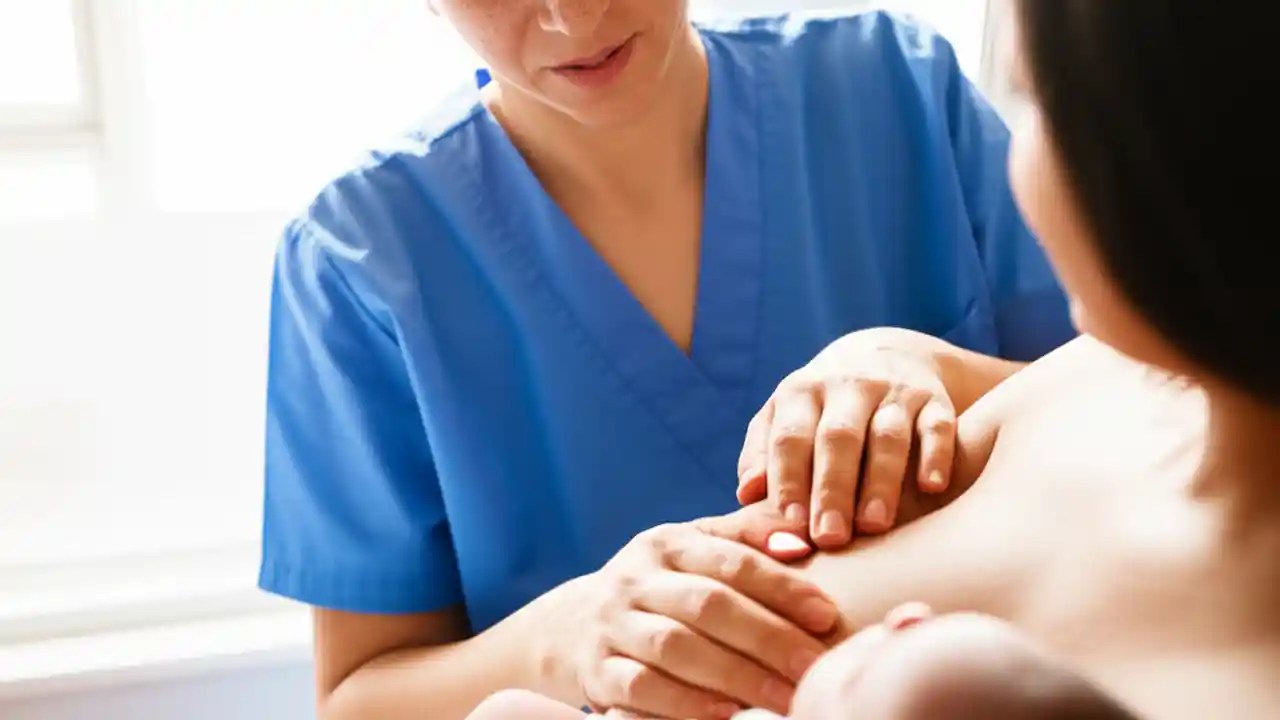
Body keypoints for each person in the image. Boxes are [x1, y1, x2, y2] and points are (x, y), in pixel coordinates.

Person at [464, 0, 1280, 717]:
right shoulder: (1129, 380)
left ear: (1184, 158)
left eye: (1038, 102)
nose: (570, 15)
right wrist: (913, 359)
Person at [259, 1, 1075, 717]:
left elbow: (1163, 413)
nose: (574, 16)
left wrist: (934, 368)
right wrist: (572, 638)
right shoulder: (359, 260)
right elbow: (361, 697)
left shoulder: (897, 89)